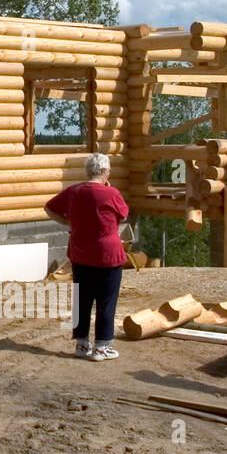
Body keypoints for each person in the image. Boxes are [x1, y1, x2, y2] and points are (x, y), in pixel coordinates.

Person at [45, 153, 129, 362]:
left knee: (81, 299)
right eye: (108, 170)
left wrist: (69, 223)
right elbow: (124, 215)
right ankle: (102, 346)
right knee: (106, 300)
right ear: (103, 172)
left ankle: (81, 343)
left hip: (80, 253)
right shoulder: (111, 193)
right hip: (107, 255)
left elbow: (49, 208)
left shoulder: (74, 191)